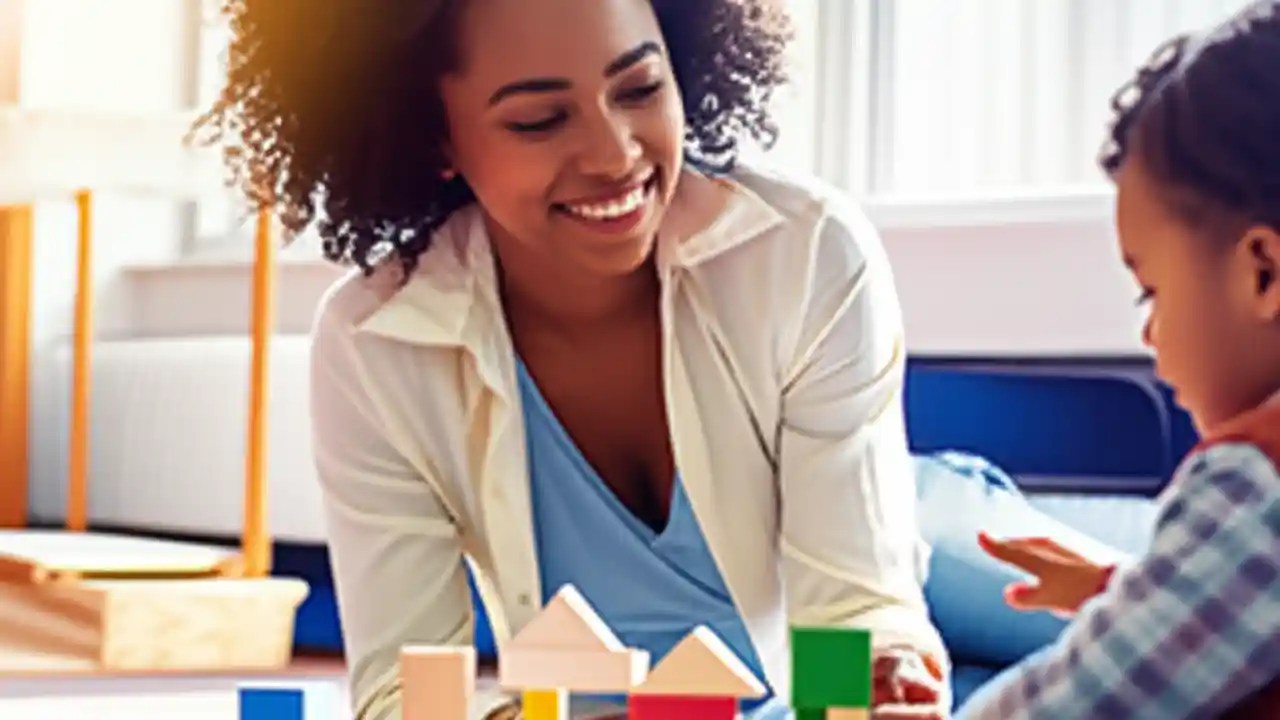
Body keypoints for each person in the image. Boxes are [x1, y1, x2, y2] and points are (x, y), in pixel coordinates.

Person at [194, 0, 950, 718]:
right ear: (436, 137)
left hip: (901, 502)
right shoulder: (375, 347)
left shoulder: (805, 251)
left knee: (1037, 611)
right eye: (539, 120)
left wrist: (889, 671)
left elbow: (855, 606)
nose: (615, 154)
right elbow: (401, 685)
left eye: (641, 87)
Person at [963, 2, 1280, 717]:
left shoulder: (1255, 481)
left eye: (1152, 294)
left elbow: (1075, 703)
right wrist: (1129, 591)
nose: (1150, 335)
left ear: (1264, 272)